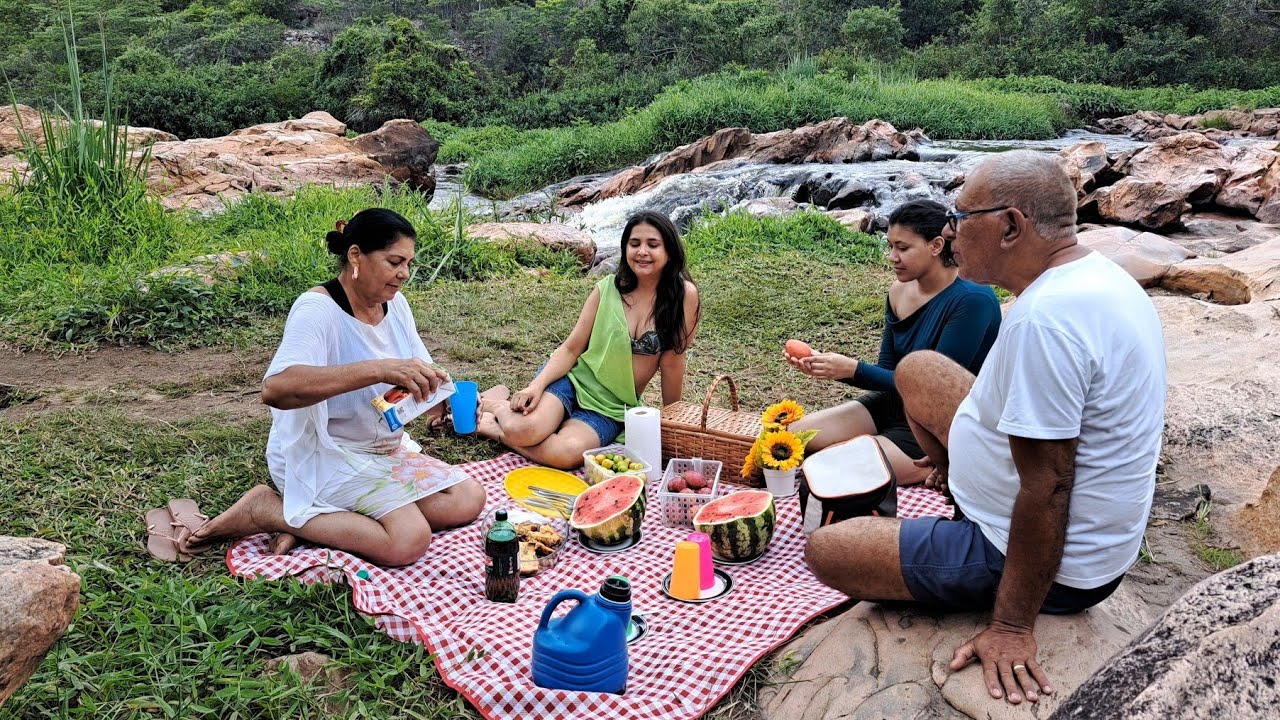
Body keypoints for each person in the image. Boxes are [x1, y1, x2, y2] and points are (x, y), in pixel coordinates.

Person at [803, 151, 1167, 706]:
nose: (951, 231)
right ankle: (950, 480)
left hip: (1059, 564)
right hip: (1028, 494)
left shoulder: (1048, 321)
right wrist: (961, 463)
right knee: (918, 370)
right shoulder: (1090, 277)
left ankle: (980, 550)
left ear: (1011, 225)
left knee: (828, 550)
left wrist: (1013, 627)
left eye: (963, 215)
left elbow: (1049, 486)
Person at [177, 209, 487, 567]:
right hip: (324, 452)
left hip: (383, 450)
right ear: (355, 255)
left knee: (468, 497)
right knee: (408, 540)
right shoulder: (317, 309)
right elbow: (276, 389)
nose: (404, 274)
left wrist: (445, 406)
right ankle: (268, 511)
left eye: (408, 264)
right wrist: (377, 369)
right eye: (394, 262)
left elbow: (418, 381)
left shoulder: (396, 305)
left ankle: (320, 523)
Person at [786, 199, 1001, 486]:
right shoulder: (899, 291)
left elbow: (934, 391)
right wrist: (831, 368)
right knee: (793, 439)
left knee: (827, 468)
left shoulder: (973, 300)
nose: (892, 256)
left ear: (936, 246)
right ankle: (880, 449)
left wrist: (852, 369)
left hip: (939, 425)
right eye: (890, 246)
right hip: (894, 403)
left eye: (903, 248)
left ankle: (935, 464)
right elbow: (887, 370)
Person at [478, 211, 700, 469]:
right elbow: (572, 348)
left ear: (670, 250)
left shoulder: (683, 297)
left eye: (653, 244)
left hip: (612, 406)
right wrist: (535, 387)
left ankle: (490, 427)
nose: (642, 251)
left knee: (566, 454)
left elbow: (672, 364)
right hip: (572, 381)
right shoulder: (607, 289)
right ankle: (496, 404)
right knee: (524, 430)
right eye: (634, 243)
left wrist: (675, 424)